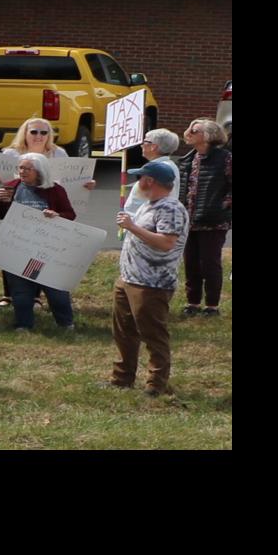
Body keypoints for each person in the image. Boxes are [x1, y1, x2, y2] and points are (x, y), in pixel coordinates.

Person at [0, 116, 94, 306]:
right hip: (17, 214)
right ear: (25, 133)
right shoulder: (11, 154)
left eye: (44, 132)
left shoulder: (58, 154)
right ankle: (9, 295)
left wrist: (84, 185)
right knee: (10, 251)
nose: (39, 136)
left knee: (38, 255)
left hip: (45, 212)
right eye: (34, 132)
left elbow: (71, 181)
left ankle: (35, 295)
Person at [111, 162, 190, 396]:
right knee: (124, 332)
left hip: (152, 283)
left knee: (153, 334)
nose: (136, 183)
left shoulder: (171, 208)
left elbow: (166, 243)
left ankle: (156, 384)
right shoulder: (150, 204)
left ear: (149, 181)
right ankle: (121, 378)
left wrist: (132, 227)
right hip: (130, 278)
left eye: (139, 178)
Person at [0, 152, 77, 331]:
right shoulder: (12, 186)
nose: (23, 172)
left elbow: (70, 214)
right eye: (20, 168)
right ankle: (23, 324)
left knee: (54, 289)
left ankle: (66, 324)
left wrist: (57, 215)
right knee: (20, 290)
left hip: (46, 247)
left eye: (28, 169)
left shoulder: (55, 190)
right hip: (18, 246)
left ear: (40, 171)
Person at [177, 118, 232, 317]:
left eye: (195, 130)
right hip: (189, 220)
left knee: (209, 263)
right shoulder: (188, 159)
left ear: (208, 135)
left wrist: (223, 205)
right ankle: (192, 302)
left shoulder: (225, 158)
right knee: (191, 262)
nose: (189, 133)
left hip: (213, 221)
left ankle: (212, 305)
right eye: (189, 129)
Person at [119, 129, 182, 218]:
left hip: (144, 222)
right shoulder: (167, 166)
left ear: (153, 147)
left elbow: (153, 198)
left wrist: (130, 222)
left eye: (145, 141)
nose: (141, 145)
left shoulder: (159, 169)